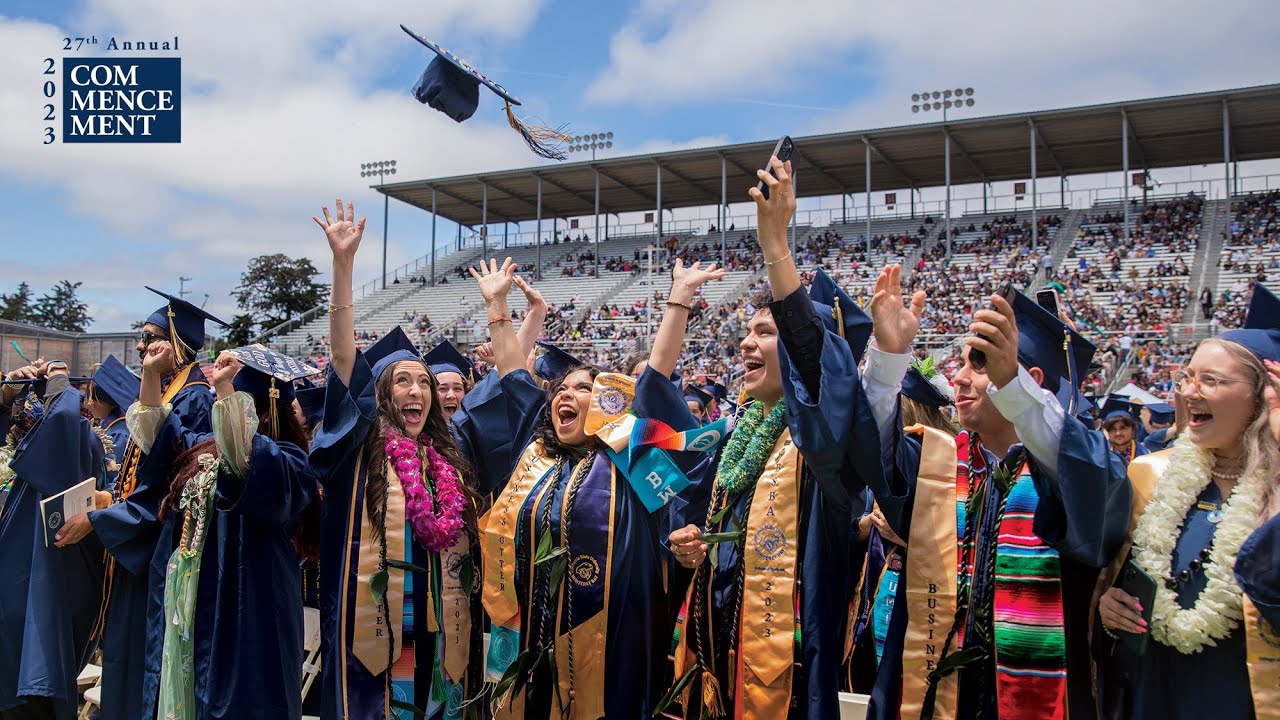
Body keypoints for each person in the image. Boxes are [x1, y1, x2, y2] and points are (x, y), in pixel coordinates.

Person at [665, 158, 888, 718]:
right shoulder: (743, 438)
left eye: (765, 332)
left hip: (781, 681)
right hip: (717, 665)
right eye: (745, 330)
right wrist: (699, 548)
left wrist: (776, 247)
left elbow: (816, 369)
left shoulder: (820, 448)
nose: (745, 344)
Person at [466, 254, 725, 718]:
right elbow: (512, 372)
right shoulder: (536, 449)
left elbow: (656, 378)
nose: (566, 394)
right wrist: (496, 307)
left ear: (608, 403)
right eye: (560, 389)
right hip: (533, 638)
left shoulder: (628, 457)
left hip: (614, 642)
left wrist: (679, 299)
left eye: (583, 388)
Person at [861, 278, 1131, 720]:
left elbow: (1099, 488)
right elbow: (871, 451)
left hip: (1032, 697)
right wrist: (889, 359)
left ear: (1027, 379)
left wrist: (1014, 388)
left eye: (979, 365)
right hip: (940, 694)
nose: (958, 379)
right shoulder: (941, 465)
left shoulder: (1067, 475)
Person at [309, 199, 484, 719]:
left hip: (438, 624)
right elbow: (344, 363)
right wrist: (344, 266)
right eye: (402, 381)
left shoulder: (444, 459)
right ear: (382, 395)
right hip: (378, 630)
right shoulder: (359, 448)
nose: (417, 390)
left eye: (423, 382)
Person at [1097, 285, 1280, 720]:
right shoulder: (1150, 475)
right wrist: (1106, 608)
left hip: (1245, 696)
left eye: (1211, 380)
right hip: (1155, 691)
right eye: (1188, 376)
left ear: (1262, 397)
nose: (1188, 392)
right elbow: (1114, 584)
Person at [54, 289, 226, 720]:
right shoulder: (167, 392)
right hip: (139, 548)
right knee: (125, 659)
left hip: (160, 553)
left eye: (151, 337)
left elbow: (173, 490)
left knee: (143, 662)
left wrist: (101, 518)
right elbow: (144, 476)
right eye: (142, 337)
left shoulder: (195, 398)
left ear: (178, 341)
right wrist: (109, 498)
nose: (142, 346)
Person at [128, 344, 320, 720]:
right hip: (193, 599)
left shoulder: (289, 460)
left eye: (235, 400)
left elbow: (243, 458)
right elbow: (159, 436)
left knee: (240, 699)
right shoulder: (206, 447)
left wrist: (225, 389)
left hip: (247, 603)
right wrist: (152, 375)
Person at [0, 360, 107, 720]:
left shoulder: (67, 450)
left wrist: (61, 383)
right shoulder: (46, 460)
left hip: (39, 600)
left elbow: (62, 424)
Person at [846, 363, 958, 693]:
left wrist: (909, 539)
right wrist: (870, 524)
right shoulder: (875, 463)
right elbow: (854, 529)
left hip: (923, 600)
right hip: (871, 595)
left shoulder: (949, 466)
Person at [85, 355, 141, 490]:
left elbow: (114, 477)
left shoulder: (119, 434)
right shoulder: (118, 425)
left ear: (95, 403)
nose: (87, 405)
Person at [1101, 396, 1150, 468]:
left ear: (1133, 429)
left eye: (1122, 428)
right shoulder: (1100, 453)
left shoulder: (1145, 454)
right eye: (1112, 430)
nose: (1118, 433)